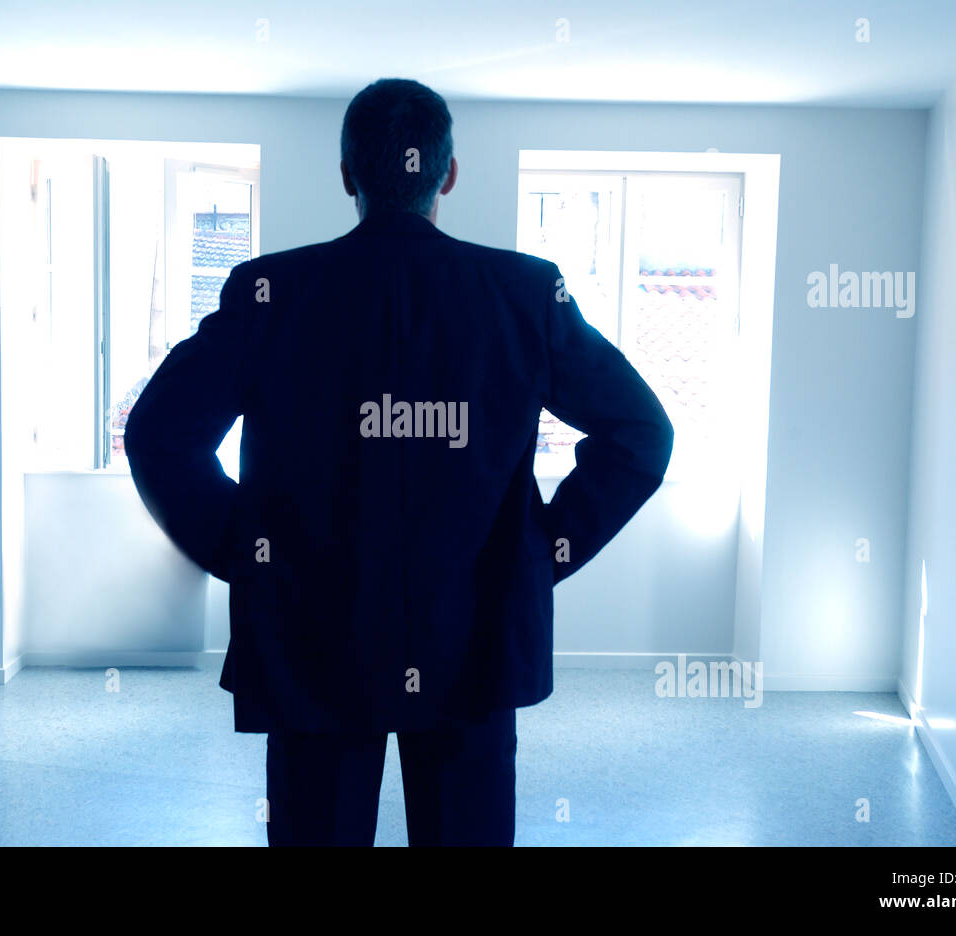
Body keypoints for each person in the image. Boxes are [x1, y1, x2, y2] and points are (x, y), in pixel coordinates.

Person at [124, 78, 673, 846]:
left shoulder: (269, 294)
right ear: (446, 175)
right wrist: (543, 553)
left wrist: (246, 552)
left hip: (312, 639)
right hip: (472, 641)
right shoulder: (521, 293)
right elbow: (642, 434)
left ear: (347, 174)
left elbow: (157, 436)